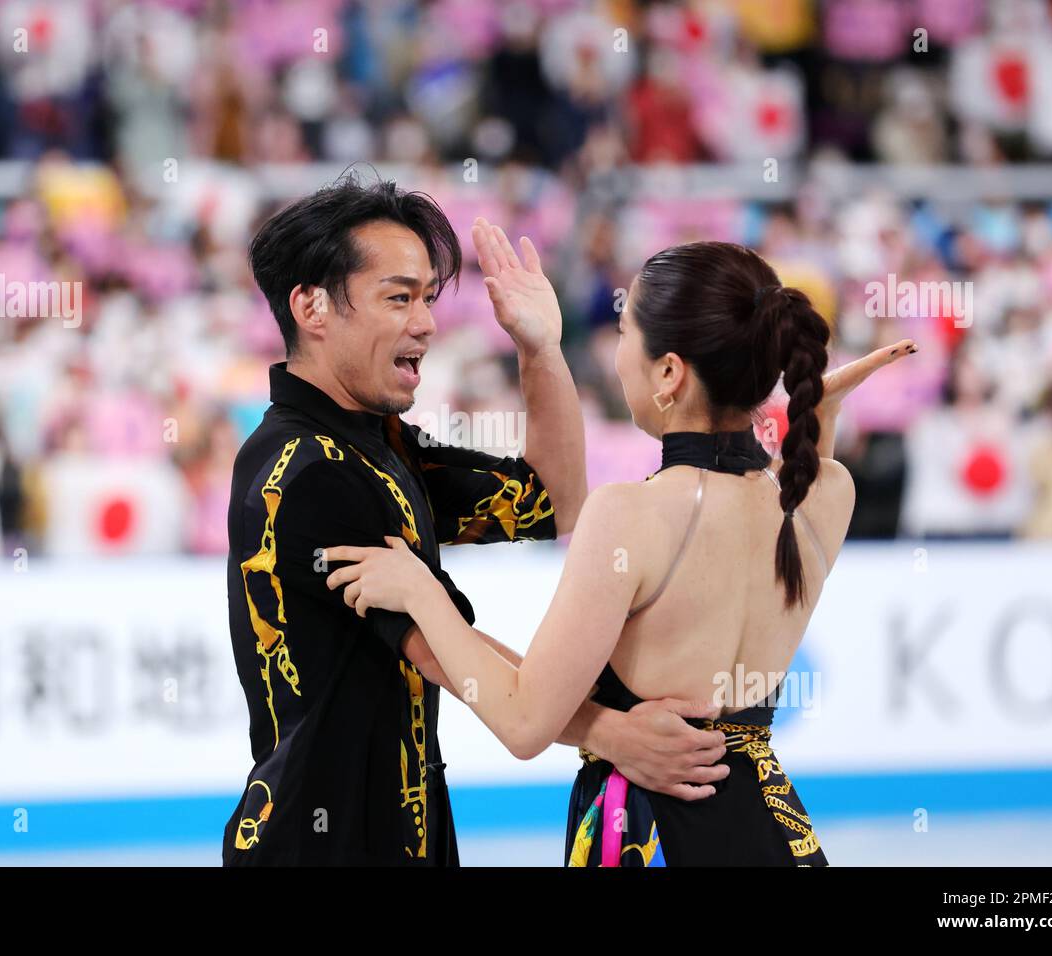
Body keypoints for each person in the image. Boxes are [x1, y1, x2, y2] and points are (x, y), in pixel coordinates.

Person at [325, 240, 916, 866]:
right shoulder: (826, 497)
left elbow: (525, 721)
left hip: (651, 833)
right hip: (774, 829)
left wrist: (420, 591)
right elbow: (803, 467)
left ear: (669, 373)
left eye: (624, 330)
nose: (616, 353)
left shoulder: (629, 515)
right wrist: (817, 410)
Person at [222, 174, 732, 866]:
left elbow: (554, 499)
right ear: (312, 307)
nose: (426, 322)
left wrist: (539, 350)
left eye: (429, 298)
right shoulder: (307, 471)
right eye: (399, 297)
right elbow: (442, 647)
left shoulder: (379, 445)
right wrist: (610, 733)